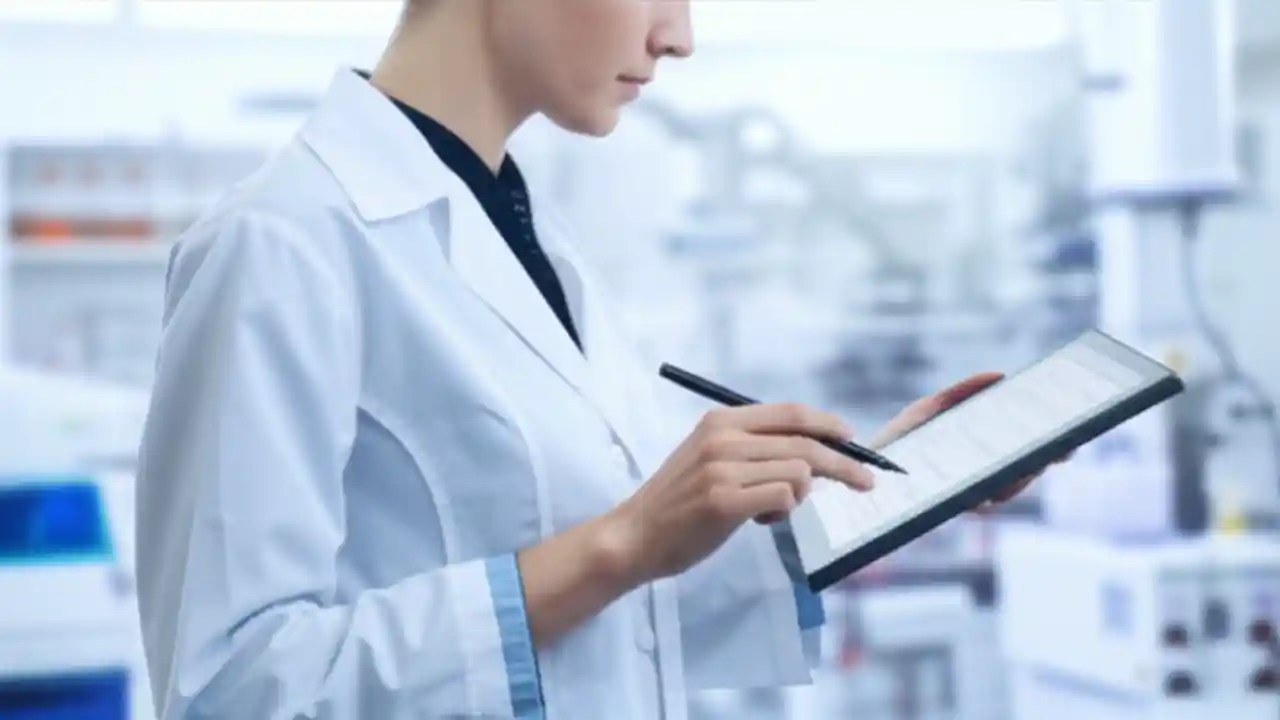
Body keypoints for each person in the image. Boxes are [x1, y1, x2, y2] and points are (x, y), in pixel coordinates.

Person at [134, 1, 1052, 718]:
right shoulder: (280, 244)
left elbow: (619, 625)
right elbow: (229, 692)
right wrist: (617, 546)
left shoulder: (532, 240)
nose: (678, 35)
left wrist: (882, 489)